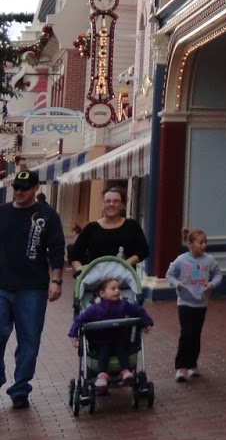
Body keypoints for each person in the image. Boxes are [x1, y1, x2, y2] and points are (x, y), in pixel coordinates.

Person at [0, 168, 66, 409]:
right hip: (2, 286)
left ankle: (20, 388)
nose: (19, 192)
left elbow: (57, 248)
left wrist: (56, 280)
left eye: (24, 189)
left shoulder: (47, 215)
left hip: (33, 288)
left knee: (29, 340)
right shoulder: (3, 212)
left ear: (36, 188)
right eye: (16, 187)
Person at [67, 276, 153, 390]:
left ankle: (125, 371)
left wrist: (147, 322)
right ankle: (102, 375)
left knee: (121, 349)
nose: (117, 291)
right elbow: (79, 319)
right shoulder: (95, 309)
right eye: (113, 289)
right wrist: (73, 334)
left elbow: (139, 310)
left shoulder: (124, 305)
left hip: (120, 339)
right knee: (103, 352)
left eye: (118, 288)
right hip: (101, 341)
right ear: (102, 293)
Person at [166, 228, 222, 382]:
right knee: (186, 333)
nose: (204, 245)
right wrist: (178, 284)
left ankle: (192, 364)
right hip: (185, 302)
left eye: (205, 242)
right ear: (189, 243)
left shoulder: (209, 260)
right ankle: (181, 367)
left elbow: (218, 274)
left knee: (196, 333)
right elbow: (170, 274)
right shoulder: (181, 260)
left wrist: (211, 284)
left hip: (201, 303)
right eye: (200, 242)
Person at [70, 187, 149, 271]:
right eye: (107, 201)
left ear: (122, 205)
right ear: (103, 204)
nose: (111, 204)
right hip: (96, 279)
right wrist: (79, 269)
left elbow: (143, 250)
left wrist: (126, 263)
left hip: (124, 278)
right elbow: (75, 254)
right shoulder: (91, 228)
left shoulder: (132, 226)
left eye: (116, 201)